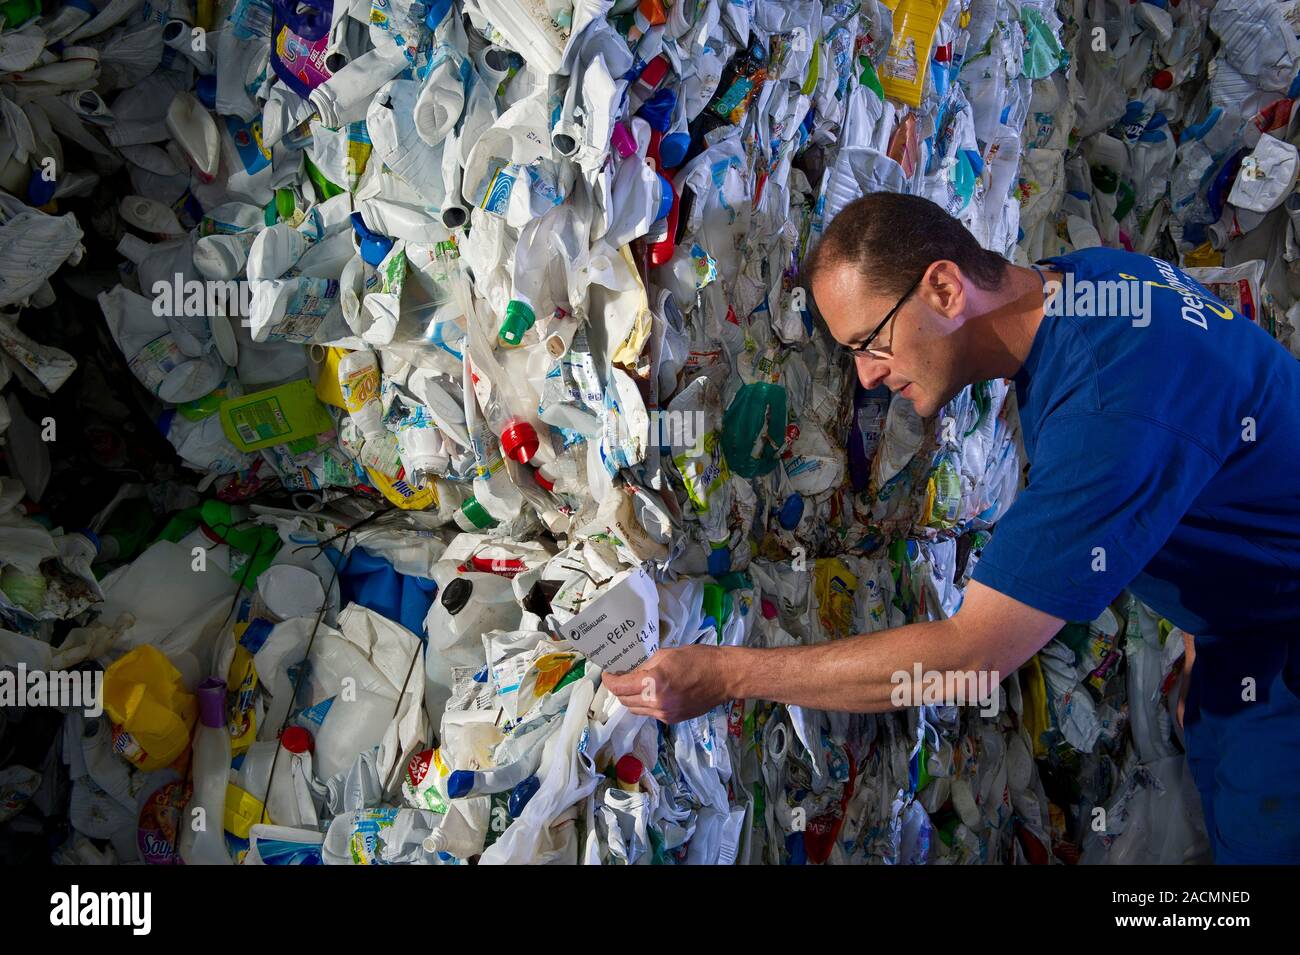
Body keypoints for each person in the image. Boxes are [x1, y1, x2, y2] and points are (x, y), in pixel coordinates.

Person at [604, 192, 1300, 864]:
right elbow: (1211, 442)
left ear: (943, 288)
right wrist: (1211, 633)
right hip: (1248, 632)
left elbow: (971, 660)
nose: (868, 377)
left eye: (870, 343)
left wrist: (727, 674)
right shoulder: (1091, 281)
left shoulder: (1106, 409)